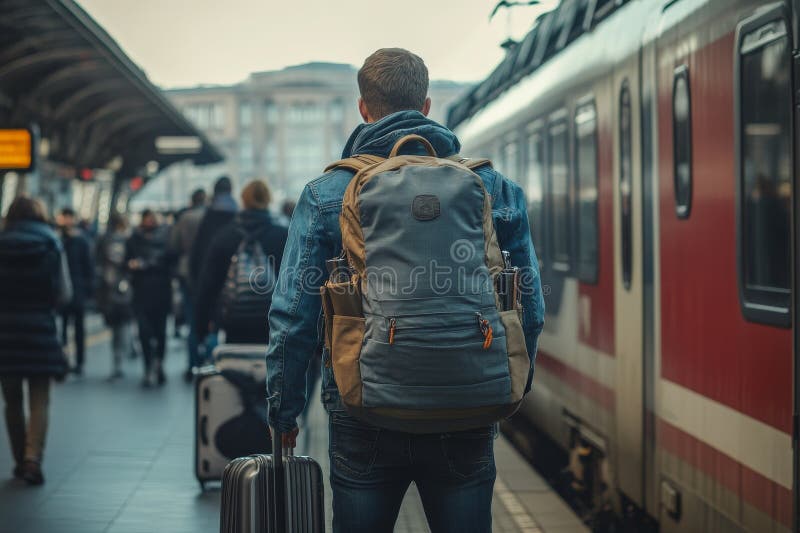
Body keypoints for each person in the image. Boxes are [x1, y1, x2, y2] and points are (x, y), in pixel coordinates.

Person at [266, 48, 545, 533]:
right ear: (427, 105)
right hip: (467, 401)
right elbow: (530, 307)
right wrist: (510, 380)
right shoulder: (493, 188)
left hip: (364, 407)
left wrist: (284, 412)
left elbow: (293, 316)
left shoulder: (327, 193)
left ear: (363, 108)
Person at [0, 196, 72, 485]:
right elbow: (64, 293)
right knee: (40, 398)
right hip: (41, 329)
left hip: (4, 331)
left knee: (12, 400)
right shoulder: (52, 243)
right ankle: (33, 459)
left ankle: (19, 459)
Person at [195, 180, 287, 345]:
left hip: (234, 322)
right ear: (268, 200)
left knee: (234, 358)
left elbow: (209, 285)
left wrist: (201, 328)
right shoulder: (282, 236)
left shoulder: (225, 236)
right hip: (271, 321)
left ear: (243, 201)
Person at [189, 176, 237, 357]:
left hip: (208, 276)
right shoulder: (238, 214)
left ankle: (199, 360)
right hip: (234, 279)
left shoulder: (207, 217)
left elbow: (196, 253)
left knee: (204, 322)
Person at [126, 210, 172, 387]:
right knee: (144, 332)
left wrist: (144, 264)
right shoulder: (134, 239)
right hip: (142, 292)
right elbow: (126, 261)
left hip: (159, 292)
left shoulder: (166, 238)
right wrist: (132, 265)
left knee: (160, 332)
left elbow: (170, 261)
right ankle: (149, 366)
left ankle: (158, 364)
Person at [169, 188, 207, 381]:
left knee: (192, 320)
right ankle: (207, 361)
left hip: (187, 273)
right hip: (207, 272)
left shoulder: (184, 219)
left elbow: (173, 245)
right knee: (208, 319)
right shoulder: (210, 217)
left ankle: (192, 364)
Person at [96, 213, 134, 380]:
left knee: (115, 325)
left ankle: (118, 359)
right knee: (123, 322)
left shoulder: (104, 239)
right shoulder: (127, 239)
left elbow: (97, 262)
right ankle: (125, 352)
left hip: (108, 288)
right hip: (123, 287)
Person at [57, 207, 93, 376]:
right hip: (62, 290)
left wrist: (88, 290)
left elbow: (88, 266)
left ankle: (79, 361)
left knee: (78, 328)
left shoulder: (80, 241)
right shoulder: (58, 239)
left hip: (77, 289)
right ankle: (64, 359)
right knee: (62, 328)